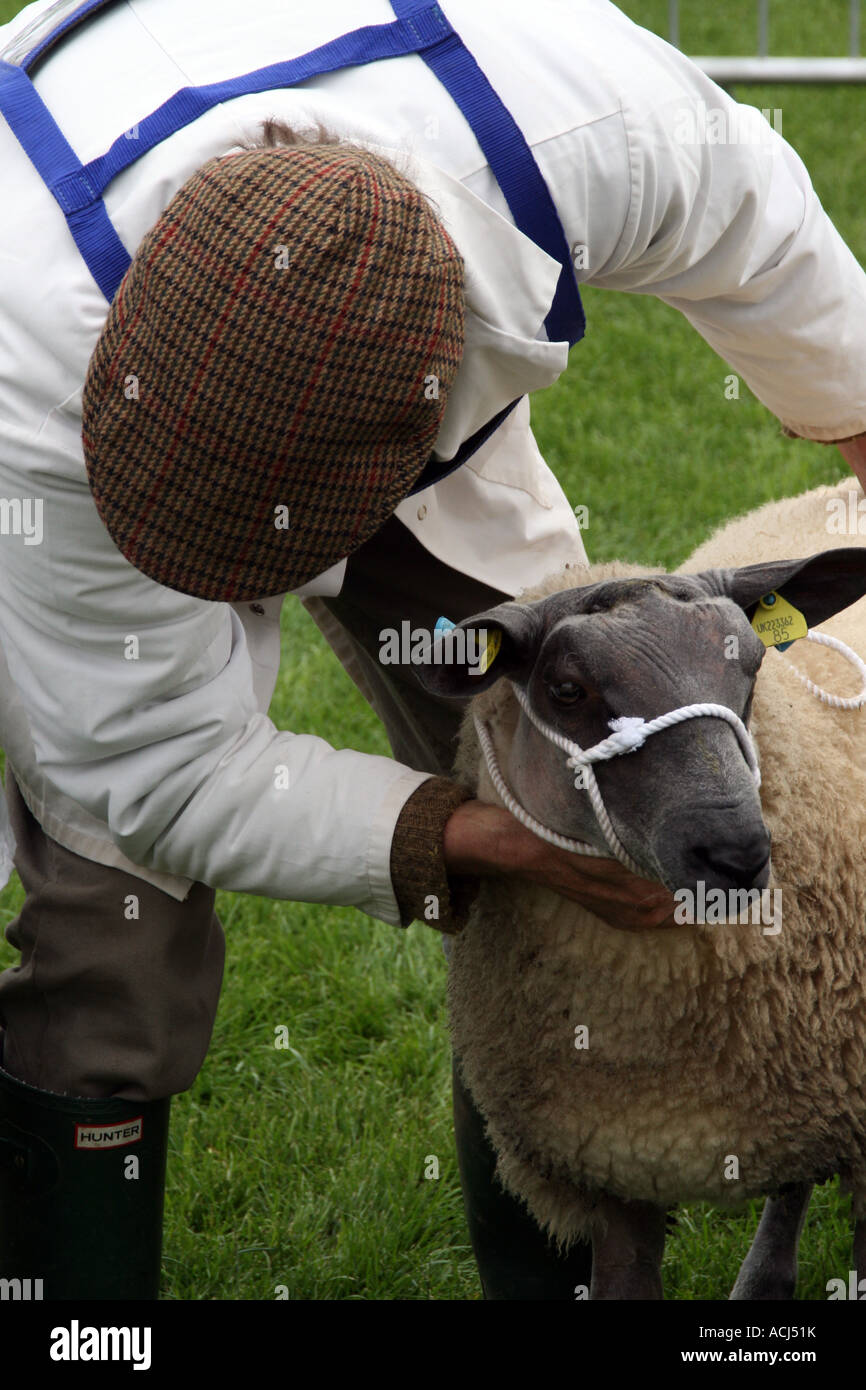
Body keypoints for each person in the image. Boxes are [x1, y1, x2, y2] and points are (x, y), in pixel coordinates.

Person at [0, 0, 864, 1301]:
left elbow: (785, 271)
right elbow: (159, 766)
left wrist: (533, 836)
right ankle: (78, 1324)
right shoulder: (26, 367)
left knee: (562, 774)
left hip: (389, 383)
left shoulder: (590, 119)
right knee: (109, 923)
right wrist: (468, 842)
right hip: (83, 450)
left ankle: (555, 1270)